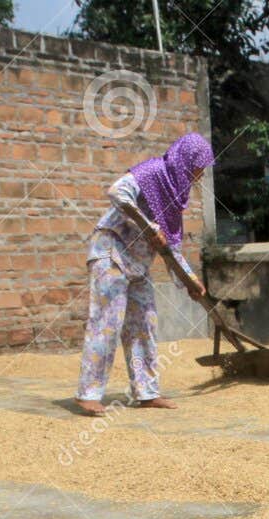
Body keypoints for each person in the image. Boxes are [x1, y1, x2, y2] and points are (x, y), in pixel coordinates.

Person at [75, 133, 214, 417]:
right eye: (197, 169)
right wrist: (150, 227)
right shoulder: (152, 171)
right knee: (107, 321)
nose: (199, 175)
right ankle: (88, 394)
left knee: (144, 325)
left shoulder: (175, 195)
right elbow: (117, 192)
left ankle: (147, 392)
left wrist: (189, 280)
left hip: (139, 264)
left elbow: (170, 246)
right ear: (185, 162)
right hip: (111, 253)